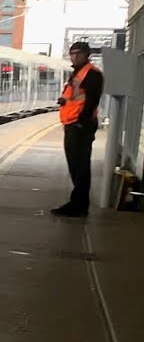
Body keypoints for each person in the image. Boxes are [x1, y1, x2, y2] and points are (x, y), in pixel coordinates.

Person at [51, 41, 103, 218]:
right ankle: (77, 203)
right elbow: (76, 97)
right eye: (72, 53)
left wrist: (81, 121)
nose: (75, 56)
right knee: (75, 165)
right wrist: (64, 102)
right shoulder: (78, 73)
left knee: (80, 166)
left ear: (87, 55)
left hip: (81, 126)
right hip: (72, 123)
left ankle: (78, 205)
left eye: (78, 53)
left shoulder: (92, 73)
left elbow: (91, 100)